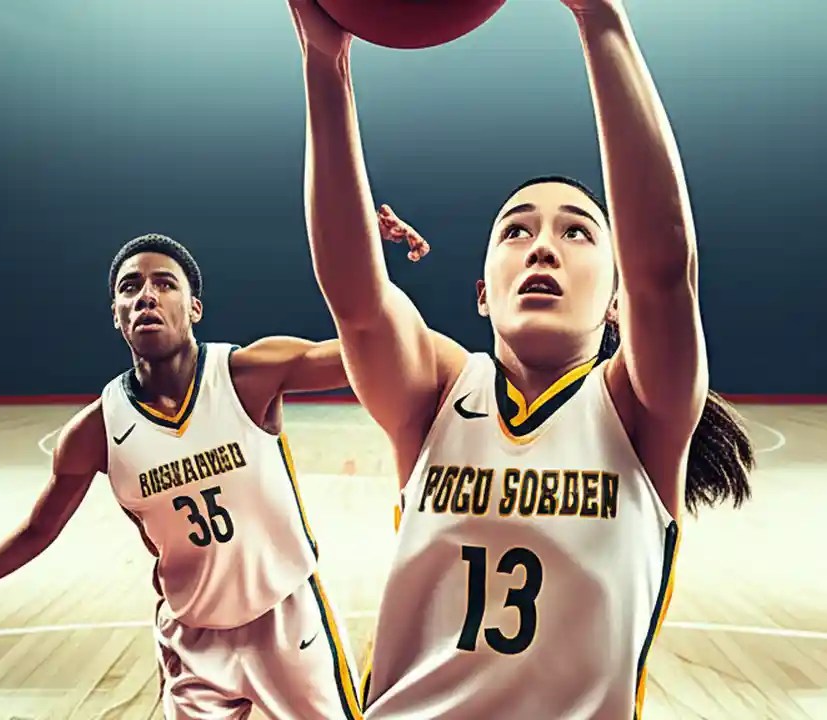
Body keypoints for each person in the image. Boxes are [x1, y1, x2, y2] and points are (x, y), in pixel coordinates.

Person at [286, 0, 754, 716]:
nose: (542, 245)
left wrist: (600, 18)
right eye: (515, 231)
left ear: (616, 301)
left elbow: (664, 270)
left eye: (577, 233)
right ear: (482, 294)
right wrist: (326, 64)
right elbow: (356, 298)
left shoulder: (639, 414)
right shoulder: (439, 391)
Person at [0, 233, 394, 720]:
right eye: (130, 287)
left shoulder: (248, 376)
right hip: (192, 636)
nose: (146, 295)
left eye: (165, 283)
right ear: (116, 314)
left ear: (195, 306)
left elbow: (372, 351)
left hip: (286, 620)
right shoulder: (94, 430)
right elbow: (39, 530)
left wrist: (374, 275)